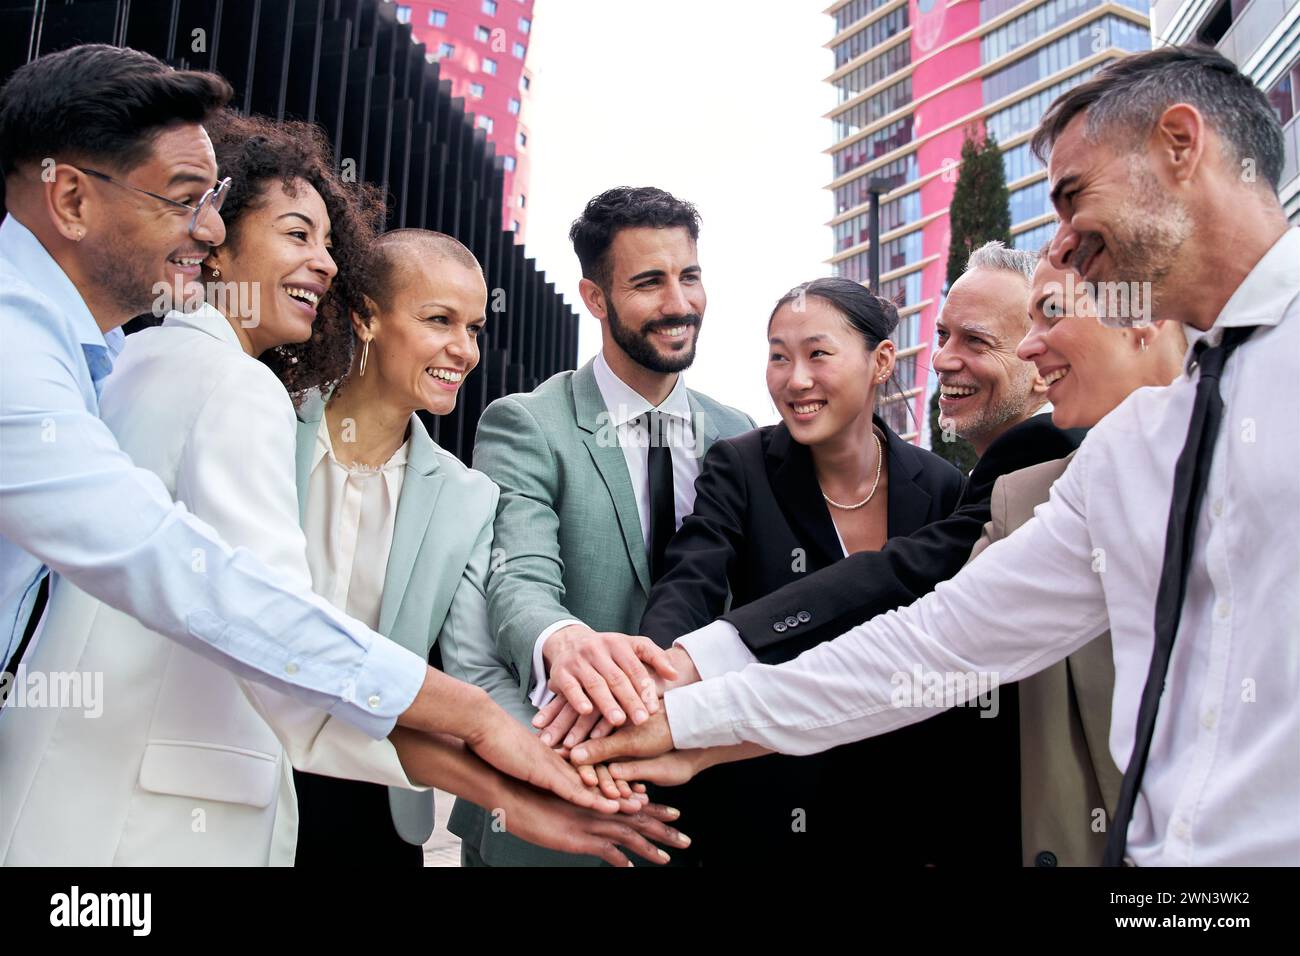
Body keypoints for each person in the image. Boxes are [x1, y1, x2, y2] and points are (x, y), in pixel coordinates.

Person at [573, 45, 1300, 867]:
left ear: (1180, 144)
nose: (1060, 244)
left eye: (1071, 198)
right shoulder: (1130, 453)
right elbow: (935, 643)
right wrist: (687, 723)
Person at [0, 110, 681, 866]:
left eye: (328, 243)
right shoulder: (230, 384)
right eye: (296, 235)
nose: (324, 264)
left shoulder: (147, 361)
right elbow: (261, 621)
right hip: (141, 824)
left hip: (156, 797)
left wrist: (514, 768)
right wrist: (488, 737)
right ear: (218, 247)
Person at [449, 186, 754, 866]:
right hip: (551, 793)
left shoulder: (741, 436)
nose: (679, 304)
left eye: (690, 276)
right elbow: (518, 578)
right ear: (595, 298)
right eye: (649, 282)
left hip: (705, 804)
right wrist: (565, 641)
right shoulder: (526, 422)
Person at [634, 278, 963, 864]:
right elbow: (691, 575)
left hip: (899, 802)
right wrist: (654, 673)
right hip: (765, 788)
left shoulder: (941, 487)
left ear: (881, 359)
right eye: (778, 357)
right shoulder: (741, 465)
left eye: (818, 354)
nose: (795, 380)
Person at [969, 254, 1187, 866]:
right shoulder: (1047, 493)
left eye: (1052, 315)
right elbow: (938, 639)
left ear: (1142, 317)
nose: (1030, 348)